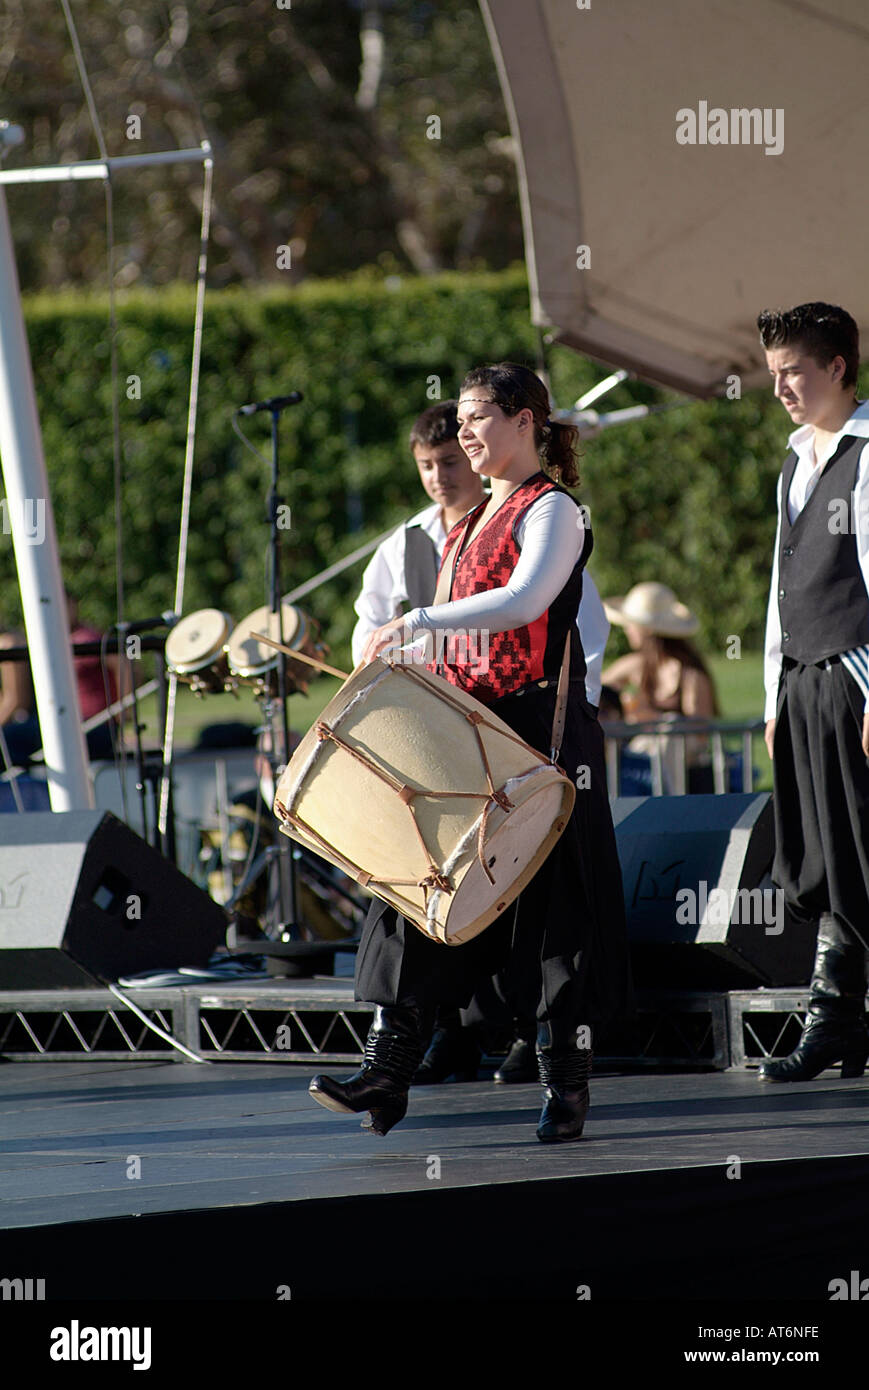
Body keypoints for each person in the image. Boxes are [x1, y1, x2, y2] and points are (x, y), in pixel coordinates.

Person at [309, 362, 631, 1142]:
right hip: (472, 728)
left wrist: (419, 618)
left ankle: (566, 1090)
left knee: (554, 915)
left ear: (525, 421)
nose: (463, 433)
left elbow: (523, 602)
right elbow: (464, 638)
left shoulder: (551, 509)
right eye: (457, 421)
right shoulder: (467, 521)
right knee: (424, 883)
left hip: (536, 735)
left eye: (478, 418)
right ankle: (388, 1073)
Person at [756, 301, 869, 1082]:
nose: (780, 389)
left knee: (864, 848)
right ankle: (834, 1020)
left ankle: (835, 1018)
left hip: (854, 674)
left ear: (835, 367)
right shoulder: (795, 461)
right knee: (826, 856)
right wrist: (772, 696)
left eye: (793, 370)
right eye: (771, 375)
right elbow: (778, 589)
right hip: (803, 681)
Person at [601, 581, 719, 792]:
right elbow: (594, 688)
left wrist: (652, 718)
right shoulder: (635, 664)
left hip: (680, 756)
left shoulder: (690, 674)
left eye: (631, 624)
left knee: (671, 731)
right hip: (647, 750)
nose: (627, 630)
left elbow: (699, 731)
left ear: (646, 630)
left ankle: (667, 804)